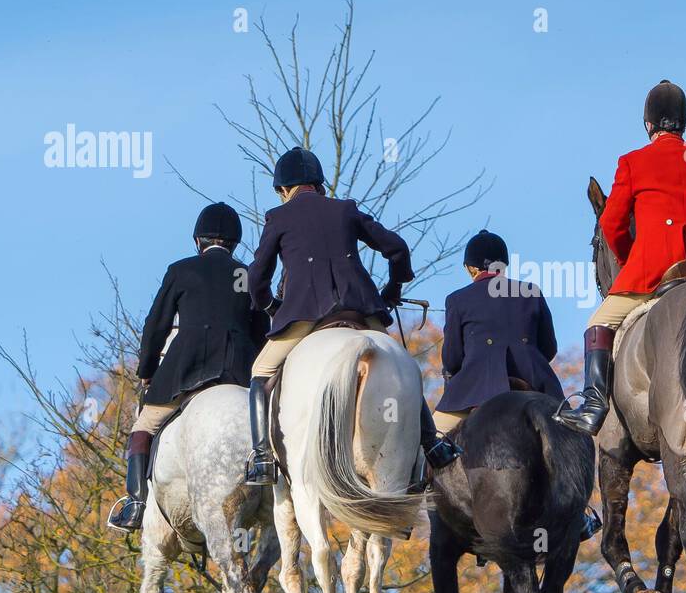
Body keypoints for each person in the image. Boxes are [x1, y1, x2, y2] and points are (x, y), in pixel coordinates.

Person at [243, 146, 461, 486]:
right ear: (319, 184)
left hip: (304, 315)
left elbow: (258, 277)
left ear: (283, 190)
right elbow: (398, 249)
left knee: (259, 373)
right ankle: (432, 443)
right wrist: (392, 289)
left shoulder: (279, 216)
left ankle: (261, 458)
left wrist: (270, 306)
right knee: (400, 364)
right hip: (360, 308)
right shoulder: (345, 209)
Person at [555, 80, 686, 435]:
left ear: (648, 125)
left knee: (598, 323)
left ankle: (594, 407)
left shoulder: (633, 162)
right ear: (685, 123)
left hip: (654, 267)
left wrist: (632, 259)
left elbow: (611, 224)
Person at [109, 202, 268, 532]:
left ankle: (136, 503)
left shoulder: (181, 270)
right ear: (235, 244)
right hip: (238, 369)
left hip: (186, 367)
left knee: (144, 425)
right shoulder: (246, 274)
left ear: (198, 241)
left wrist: (147, 370)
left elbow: (156, 326)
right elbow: (259, 328)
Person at [432, 230, 564, 433]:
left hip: (475, 388)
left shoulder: (457, 299)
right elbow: (548, 349)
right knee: (574, 433)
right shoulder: (531, 292)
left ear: (471, 268)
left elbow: (452, 360)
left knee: (432, 443)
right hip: (536, 384)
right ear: (504, 266)